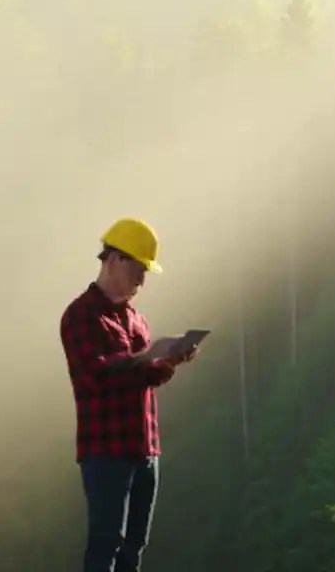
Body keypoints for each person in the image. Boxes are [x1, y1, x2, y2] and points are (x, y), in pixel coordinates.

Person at [59, 217, 199, 572]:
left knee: (133, 547)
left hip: (143, 448)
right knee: (106, 544)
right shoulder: (80, 316)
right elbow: (98, 375)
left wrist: (170, 359)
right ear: (115, 259)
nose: (142, 279)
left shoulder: (136, 319)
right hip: (106, 451)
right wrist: (153, 361)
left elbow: (138, 373)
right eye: (139, 268)